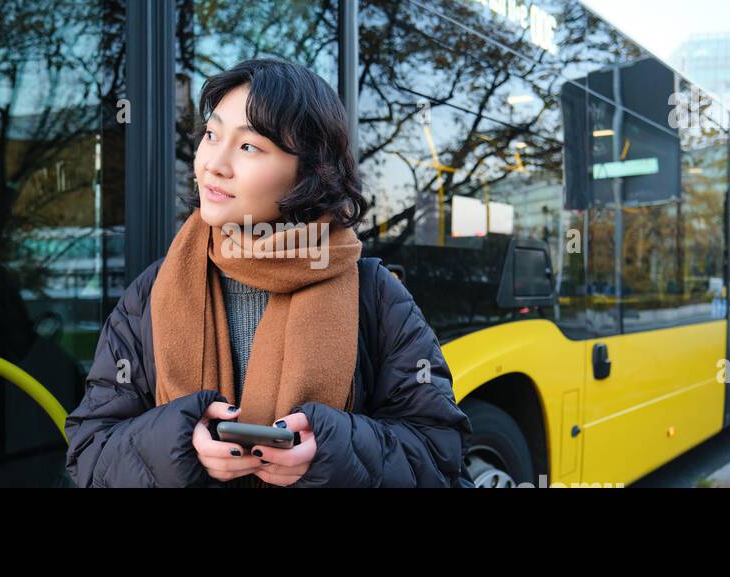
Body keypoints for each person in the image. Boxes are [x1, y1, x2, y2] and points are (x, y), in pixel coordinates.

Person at [64, 58, 472, 487]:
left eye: (248, 147)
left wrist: (331, 453)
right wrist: (181, 443)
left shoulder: (375, 295)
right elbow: (92, 448)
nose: (213, 164)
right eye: (211, 134)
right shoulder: (152, 291)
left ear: (310, 171)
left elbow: (438, 453)